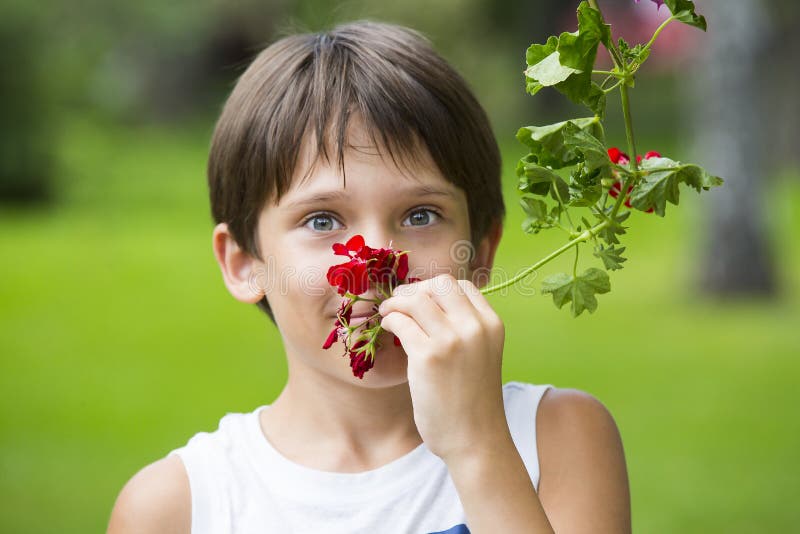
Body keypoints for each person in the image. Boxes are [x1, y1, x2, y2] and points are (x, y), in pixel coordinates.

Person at [107, 20, 630, 534]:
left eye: (420, 215)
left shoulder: (558, 437)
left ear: (480, 252)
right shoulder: (178, 507)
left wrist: (476, 445)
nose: (380, 259)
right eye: (322, 220)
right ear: (244, 264)